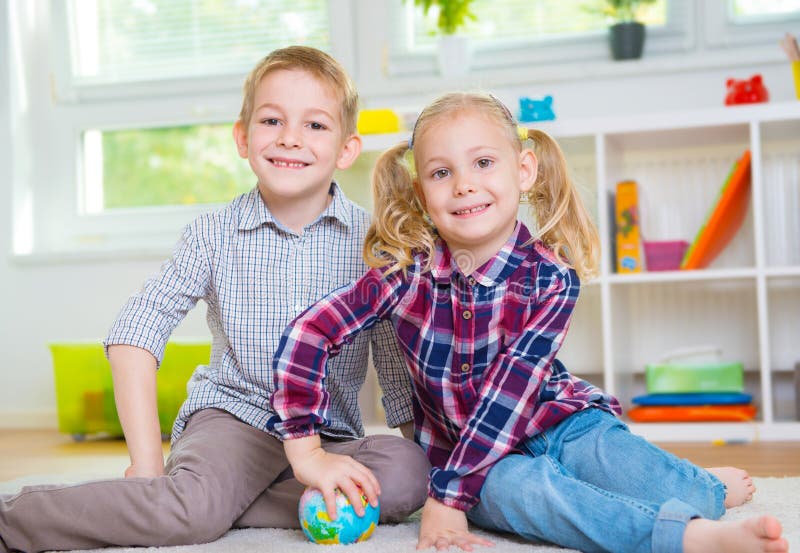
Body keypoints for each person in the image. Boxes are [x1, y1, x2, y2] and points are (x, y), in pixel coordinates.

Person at [266, 91, 788, 553]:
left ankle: (703, 489)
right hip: (472, 460)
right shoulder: (405, 272)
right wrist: (307, 449)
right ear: (422, 192)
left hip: (562, 421)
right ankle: (686, 539)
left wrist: (447, 498)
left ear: (524, 171)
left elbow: (510, 392)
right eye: (442, 173)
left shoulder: (552, 277)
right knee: (539, 496)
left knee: (675, 485)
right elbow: (309, 333)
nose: (465, 186)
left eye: (484, 162)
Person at [0, 46, 430, 553]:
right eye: (272, 120)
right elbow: (134, 335)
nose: (291, 137)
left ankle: (218, 502)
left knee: (407, 476)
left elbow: (396, 369)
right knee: (189, 512)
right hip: (233, 422)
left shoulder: (375, 244)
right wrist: (146, 465)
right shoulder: (212, 235)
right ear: (243, 139)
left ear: (347, 149)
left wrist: (428, 469)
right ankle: (16, 519)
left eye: (315, 125)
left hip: (327, 433)